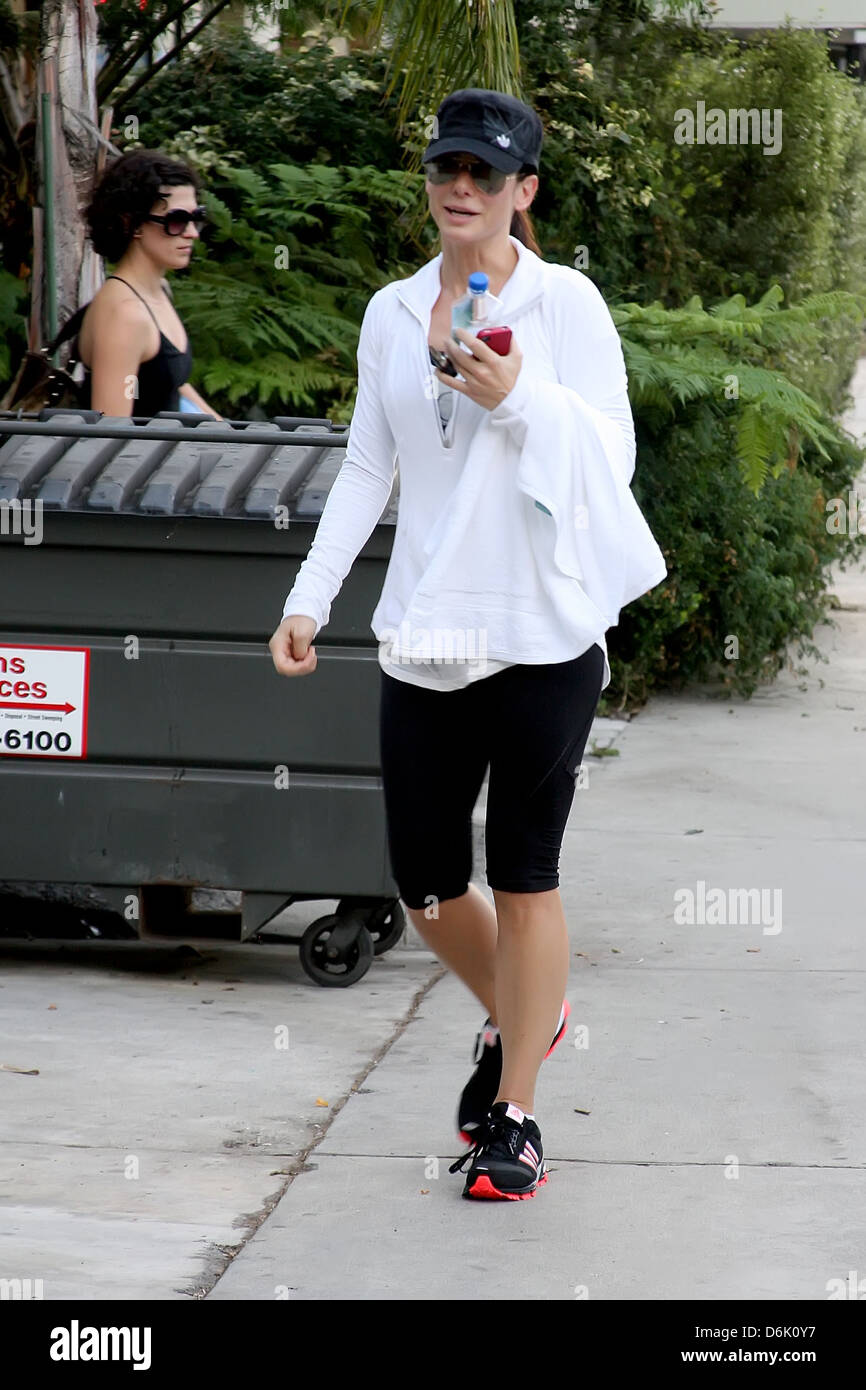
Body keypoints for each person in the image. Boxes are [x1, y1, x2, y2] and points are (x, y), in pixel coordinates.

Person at [268, 89, 667, 1201]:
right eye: (446, 168)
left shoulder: (564, 307)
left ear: (522, 192)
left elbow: (612, 457)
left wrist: (517, 396)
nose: (460, 189)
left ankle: (517, 1114)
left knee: (524, 874)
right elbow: (365, 467)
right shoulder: (392, 312)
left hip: (541, 632)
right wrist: (311, 596)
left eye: (485, 176)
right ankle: (519, 1015)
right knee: (428, 885)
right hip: (424, 637)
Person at [74, 149, 222, 419]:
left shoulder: (158, 289)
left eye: (196, 218)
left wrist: (229, 433)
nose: (191, 233)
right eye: (176, 221)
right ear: (132, 224)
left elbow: (171, 382)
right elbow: (110, 431)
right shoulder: (126, 315)